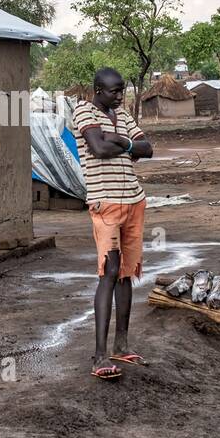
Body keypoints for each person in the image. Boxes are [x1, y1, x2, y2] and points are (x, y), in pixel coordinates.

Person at [70, 68, 154, 381]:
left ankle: (121, 344)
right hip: (105, 203)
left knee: (126, 275)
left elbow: (148, 149)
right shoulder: (83, 110)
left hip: (134, 201)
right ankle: (99, 356)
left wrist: (123, 142)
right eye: (113, 92)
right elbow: (99, 149)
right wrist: (120, 144)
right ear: (97, 90)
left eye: (121, 91)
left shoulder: (121, 115)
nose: (120, 97)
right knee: (109, 272)